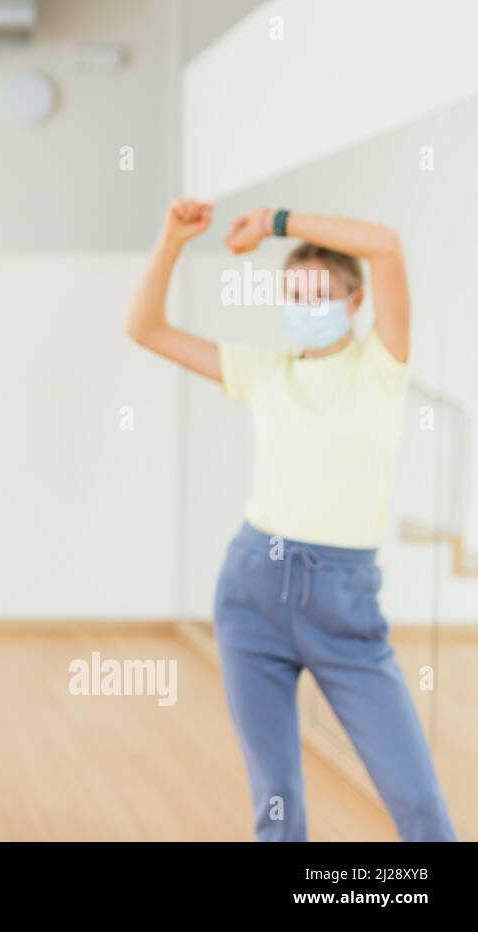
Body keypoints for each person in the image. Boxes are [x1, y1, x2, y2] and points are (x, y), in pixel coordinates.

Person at [125, 199, 455, 841]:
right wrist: (170, 239)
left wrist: (279, 224)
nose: (305, 305)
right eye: (293, 292)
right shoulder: (264, 371)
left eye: (319, 291)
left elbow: (385, 241)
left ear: (355, 303)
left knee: (417, 802)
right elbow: (146, 329)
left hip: (343, 604)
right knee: (275, 801)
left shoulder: (382, 365)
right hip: (251, 593)